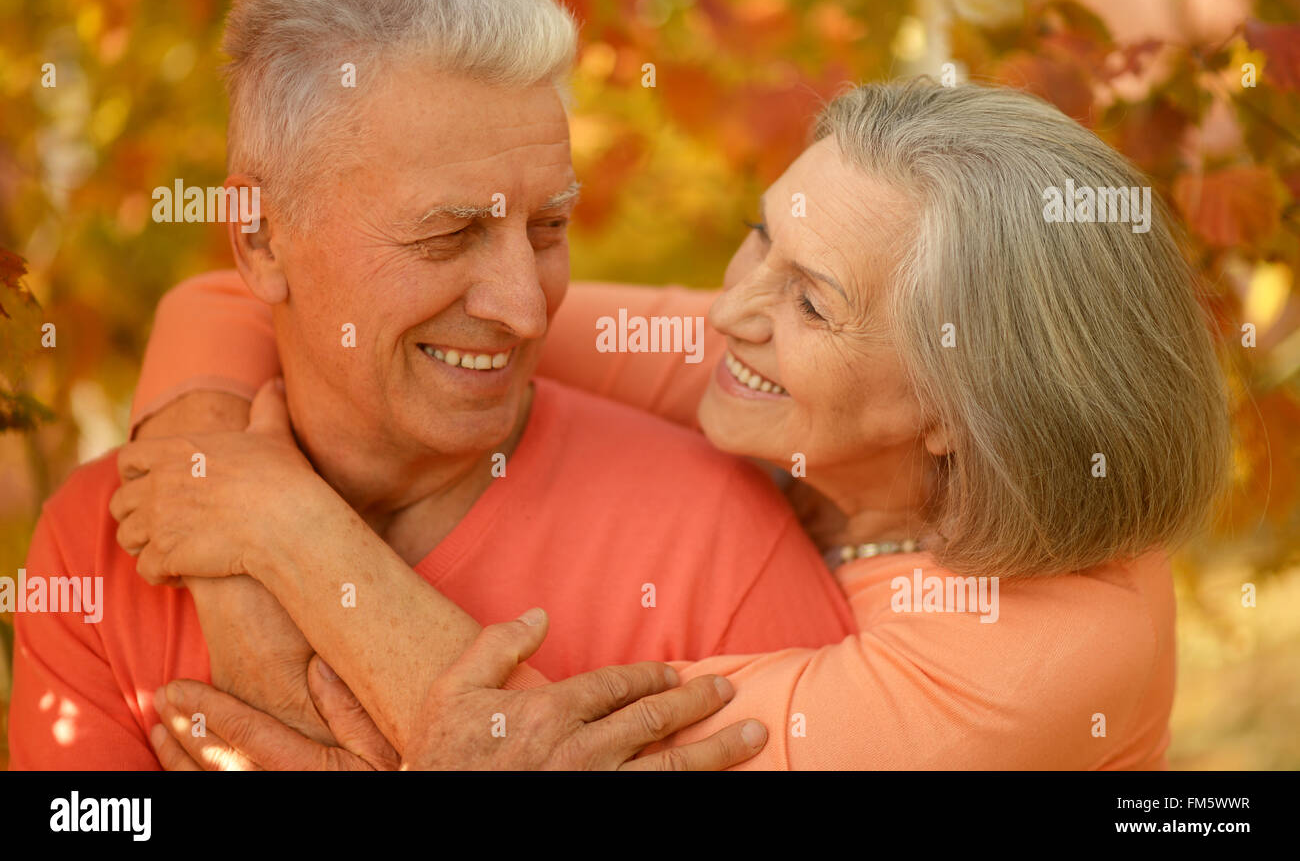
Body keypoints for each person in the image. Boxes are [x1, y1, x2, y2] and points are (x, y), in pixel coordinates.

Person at [117, 78, 1230, 769]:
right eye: (761, 236)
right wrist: (217, 486)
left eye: (810, 300)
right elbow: (278, 301)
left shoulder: (1040, 656)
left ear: (960, 409)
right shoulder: (766, 359)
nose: (731, 309)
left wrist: (285, 531)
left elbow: (575, 760)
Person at [6, 0, 861, 770]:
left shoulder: (718, 548)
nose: (526, 309)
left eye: (549, 227)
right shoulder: (109, 540)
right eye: (450, 236)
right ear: (259, 237)